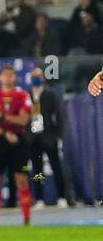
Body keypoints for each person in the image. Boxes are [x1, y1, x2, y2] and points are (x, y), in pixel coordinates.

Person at [0, 64, 33, 226]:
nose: (8, 77)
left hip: (18, 140)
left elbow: (23, 120)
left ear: (15, 77)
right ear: (0, 78)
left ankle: (26, 217)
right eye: (5, 75)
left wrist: (3, 117)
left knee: (21, 178)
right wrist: (5, 132)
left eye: (11, 74)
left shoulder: (22, 95)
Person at [26, 66, 72, 207]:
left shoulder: (50, 94)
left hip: (48, 136)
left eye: (38, 76)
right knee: (37, 169)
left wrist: (57, 135)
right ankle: (39, 198)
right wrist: (27, 135)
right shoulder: (26, 95)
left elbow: (58, 115)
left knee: (56, 166)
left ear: (43, 78)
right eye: (34, 76)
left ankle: (62, 197)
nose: (36, 78)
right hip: (33, 137)